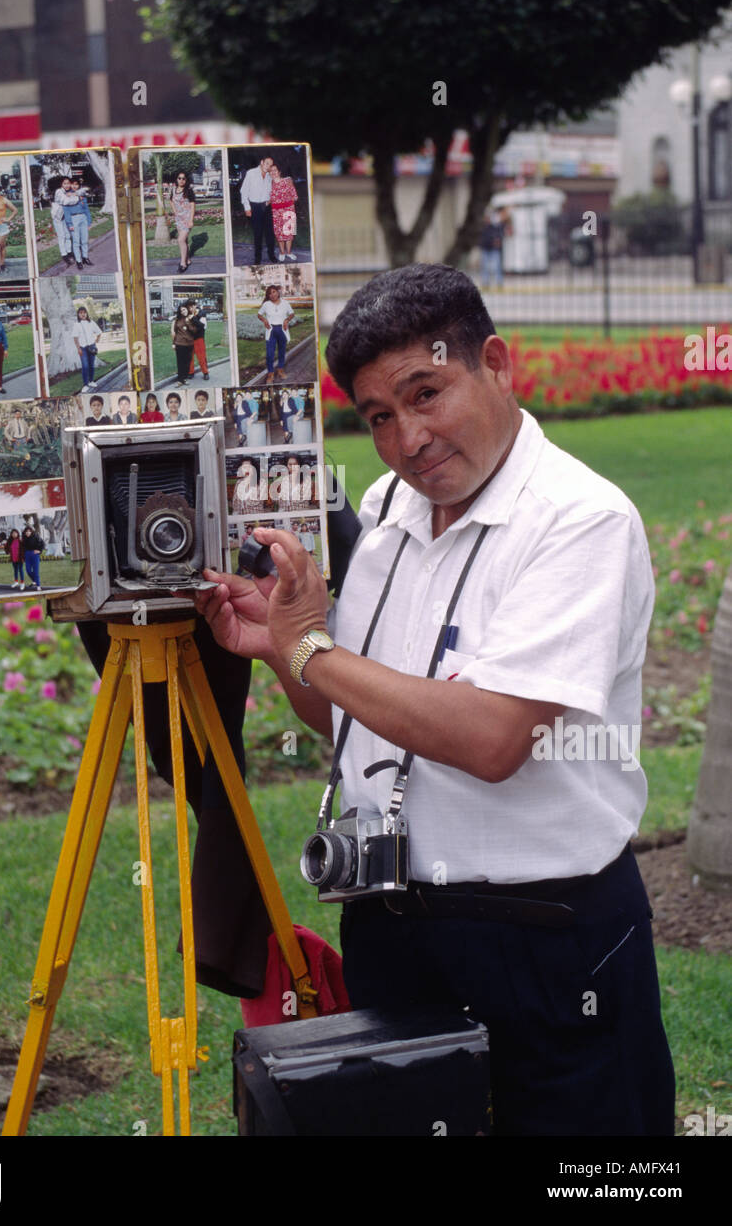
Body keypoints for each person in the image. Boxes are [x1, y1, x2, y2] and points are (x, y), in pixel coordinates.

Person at [193, 261, 675, 1138]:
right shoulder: (387, 511)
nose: (408, 438)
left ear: (495, 363)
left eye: (427, 393)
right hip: (394, 925)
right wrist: (282, 653)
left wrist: (313, 648)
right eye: (379, 416)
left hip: (546, 936)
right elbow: (356, 723)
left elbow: (493, 739)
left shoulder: (579, 520)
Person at [240, 154, 277, 264]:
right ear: (262, 162)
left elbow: (272, 190)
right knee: (258, 234)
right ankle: (257, 258)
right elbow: (244, 191)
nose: (268, 166)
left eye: (270, 165)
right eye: (267, 163)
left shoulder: (270, 176)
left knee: (270, 233)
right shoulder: (251, 173)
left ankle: (271, 255)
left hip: (266, 206)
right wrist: (247, 207)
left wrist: (270, 199)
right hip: (254, 207)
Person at [257, 284, 295, 383]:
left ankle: (280, 370)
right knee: (270, 354)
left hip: (282, 330)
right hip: (271, 331)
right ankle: (270, 374)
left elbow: (292, 313)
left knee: (282, 352)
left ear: (278, 292)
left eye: (274, 292)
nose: (272, 294)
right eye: (270, 293)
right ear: (268, 296)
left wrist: (287, 320)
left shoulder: (285, 303)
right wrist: (264, 320)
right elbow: (259, 314)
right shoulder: (266, 305)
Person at [268, 162, 299, 261]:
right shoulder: (268, 184)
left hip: (288, 209)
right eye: (271, 171)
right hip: (276, 212)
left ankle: (289, 252)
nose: (273, 172)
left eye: (275, 170)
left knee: (289, 232)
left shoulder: (287, 181)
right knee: (279, 233)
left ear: (279, 172)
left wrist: (287, 206)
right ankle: (282, 252)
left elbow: (294, 196)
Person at [167, 170, 196, 272]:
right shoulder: (173, 190)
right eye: (179, 178)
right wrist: (175, 211)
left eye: (183, 178)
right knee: (185, 241)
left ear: (186, 180)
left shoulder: (189, 191)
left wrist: (191, 220)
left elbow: (192, 205)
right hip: (178, 219)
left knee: (180, 240)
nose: (181, 180)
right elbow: (170, 200)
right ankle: (187, 259)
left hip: (187, 219)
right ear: (177, 179)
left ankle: (182, 263)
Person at [63, 180, 93, 271]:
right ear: (70, 185)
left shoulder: (82, 195)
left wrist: (89, 221)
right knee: (76, 242)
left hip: (83, 218)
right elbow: (66, 211)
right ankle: (79, 261)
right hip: (74, 218)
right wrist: (69, 223)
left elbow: (86, 209)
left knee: (84, 240)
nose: (75, 186)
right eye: (73, 184)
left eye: (76, 185)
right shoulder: (67, 196)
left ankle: (85, 257)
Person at [72, 305, 101, 392]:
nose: (83, 314)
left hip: (92, 347)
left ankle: (91, 381)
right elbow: (75, 338)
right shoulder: (77, 324)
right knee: (85, 366)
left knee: (91, 365)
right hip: (83, 348)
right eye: (81, 313)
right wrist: (78, 349)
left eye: (84, 312)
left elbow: (99, 332)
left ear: (86, 313)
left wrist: (97, 340)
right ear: (78, 315)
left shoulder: (91, 322)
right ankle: (85, 384)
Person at [50, 176, 76, 265]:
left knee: (68, 235)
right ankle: (64, 254)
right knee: (62, 236)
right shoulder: (59, 191)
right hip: (58, 217)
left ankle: (69, 252)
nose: (67, 185)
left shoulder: (69, 192)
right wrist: (75, 197)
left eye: (68, 183)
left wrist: (72, 195)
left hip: (65, 216)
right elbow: (66, 201)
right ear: (61, 184)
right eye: (65, 183)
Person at [479, 209, 506, 289]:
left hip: (494, 249)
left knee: (497, 266)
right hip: (485, 248)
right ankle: (485, 282)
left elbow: (500, 235)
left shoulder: (495, 226)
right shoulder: (483, 227)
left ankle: (499, 282)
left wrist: (498, 241)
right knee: (485, 267)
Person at [171, 304, 196, 384]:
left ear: (187, 309)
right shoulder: (177, 320)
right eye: (181, 310)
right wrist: (173, 343)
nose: (183, 312)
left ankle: (184, 378)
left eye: (184, 309)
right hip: (179, 344)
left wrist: (188, 322)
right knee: (180, 362)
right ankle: (180, 379)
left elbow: (194, 331)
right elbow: (174, 332)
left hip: (189, 344)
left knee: (187, 363)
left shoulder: (191, 319)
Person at [186, 302, 209, 378]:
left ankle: (205, 373)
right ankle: (191, 372)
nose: (191, 309)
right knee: (189, 357)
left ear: (195, 306)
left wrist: (193, 318)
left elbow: (203, 326)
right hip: (190, 339)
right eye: (189, 307)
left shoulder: (202, 314)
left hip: (199, 339)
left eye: (192, 307)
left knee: (201, 357)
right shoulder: (187, 314)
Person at [20, 524, 44, 590]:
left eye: (29, 531)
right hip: (27, 555)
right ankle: (35, 581)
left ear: (31, 531)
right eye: (26, 531)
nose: (28, 532)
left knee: (36, 571)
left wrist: (39, 551)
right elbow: (22, 548)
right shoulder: (24, 539)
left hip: (35, 554)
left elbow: (42, 544)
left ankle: (38, 586)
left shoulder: (36, 536)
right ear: (24, 532)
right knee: (28, 570)